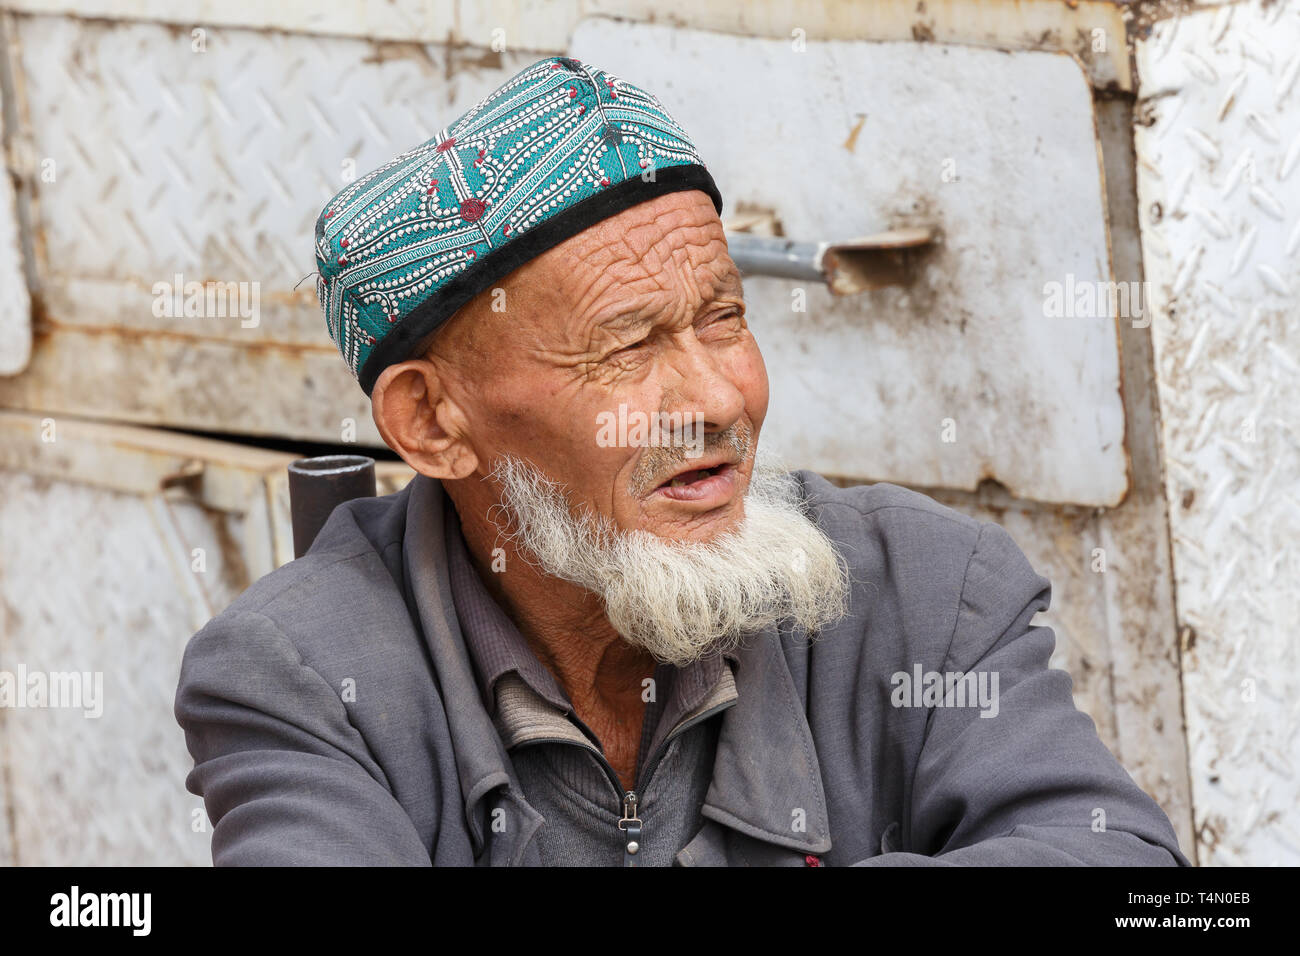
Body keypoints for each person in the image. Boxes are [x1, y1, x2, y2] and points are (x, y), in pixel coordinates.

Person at [174, 55, 1190, 867]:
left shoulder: (926, 590)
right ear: (434, 420)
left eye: (724, 318)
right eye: (626, 346)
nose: (718, 399)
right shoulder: (299, 676)